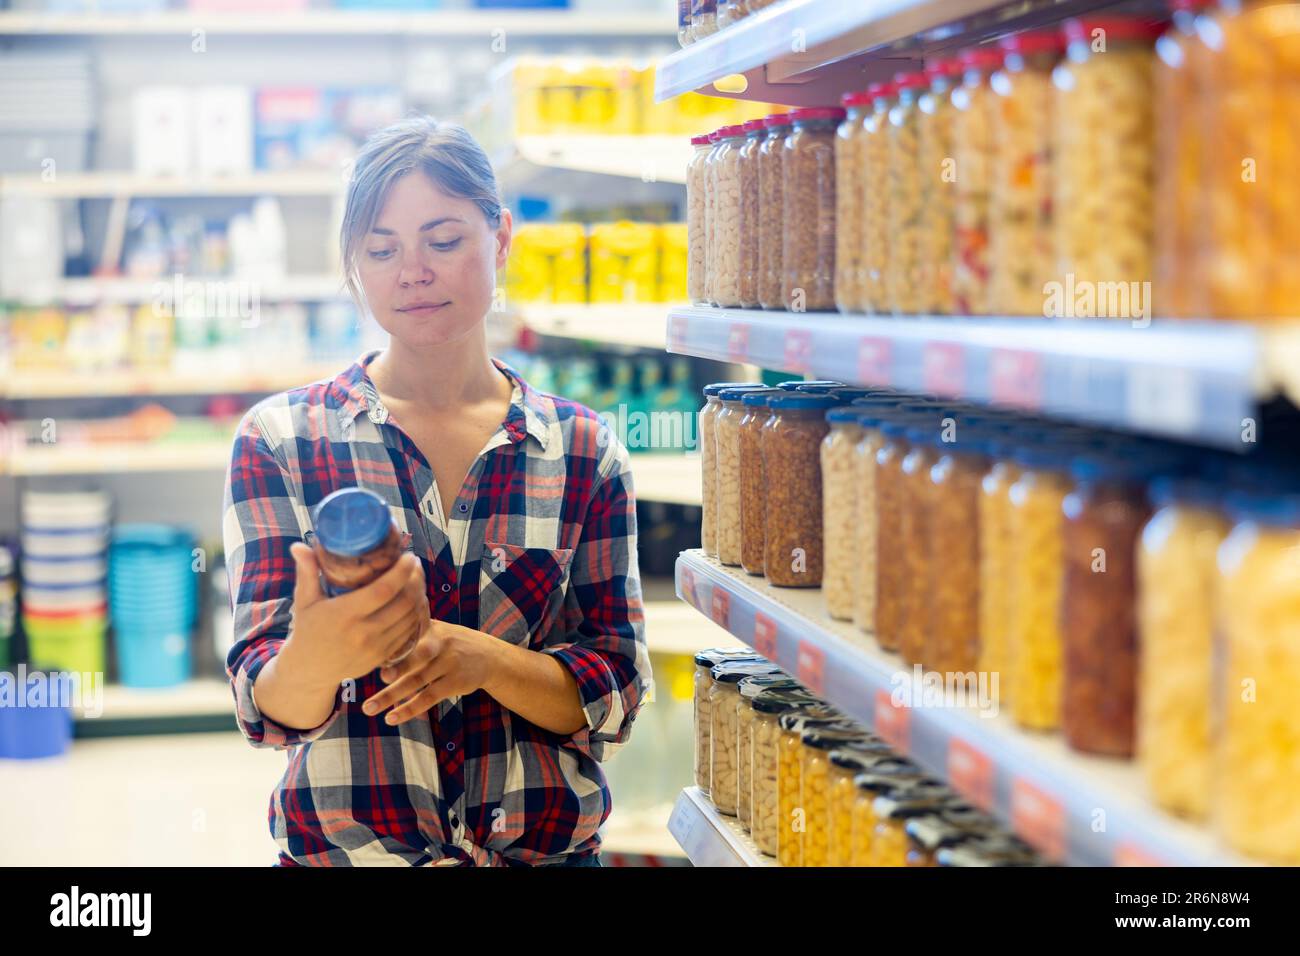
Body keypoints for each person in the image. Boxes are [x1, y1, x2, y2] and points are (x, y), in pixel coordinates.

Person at [222, 116, 653, 867]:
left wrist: (483, 660)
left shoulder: (584, 451)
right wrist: (316, 657)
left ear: (502, 237)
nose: (411, 271)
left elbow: (614, 696)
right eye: (380, 250)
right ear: (354, 264)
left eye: (443, 241)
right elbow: (268, 714)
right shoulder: (283, 441)